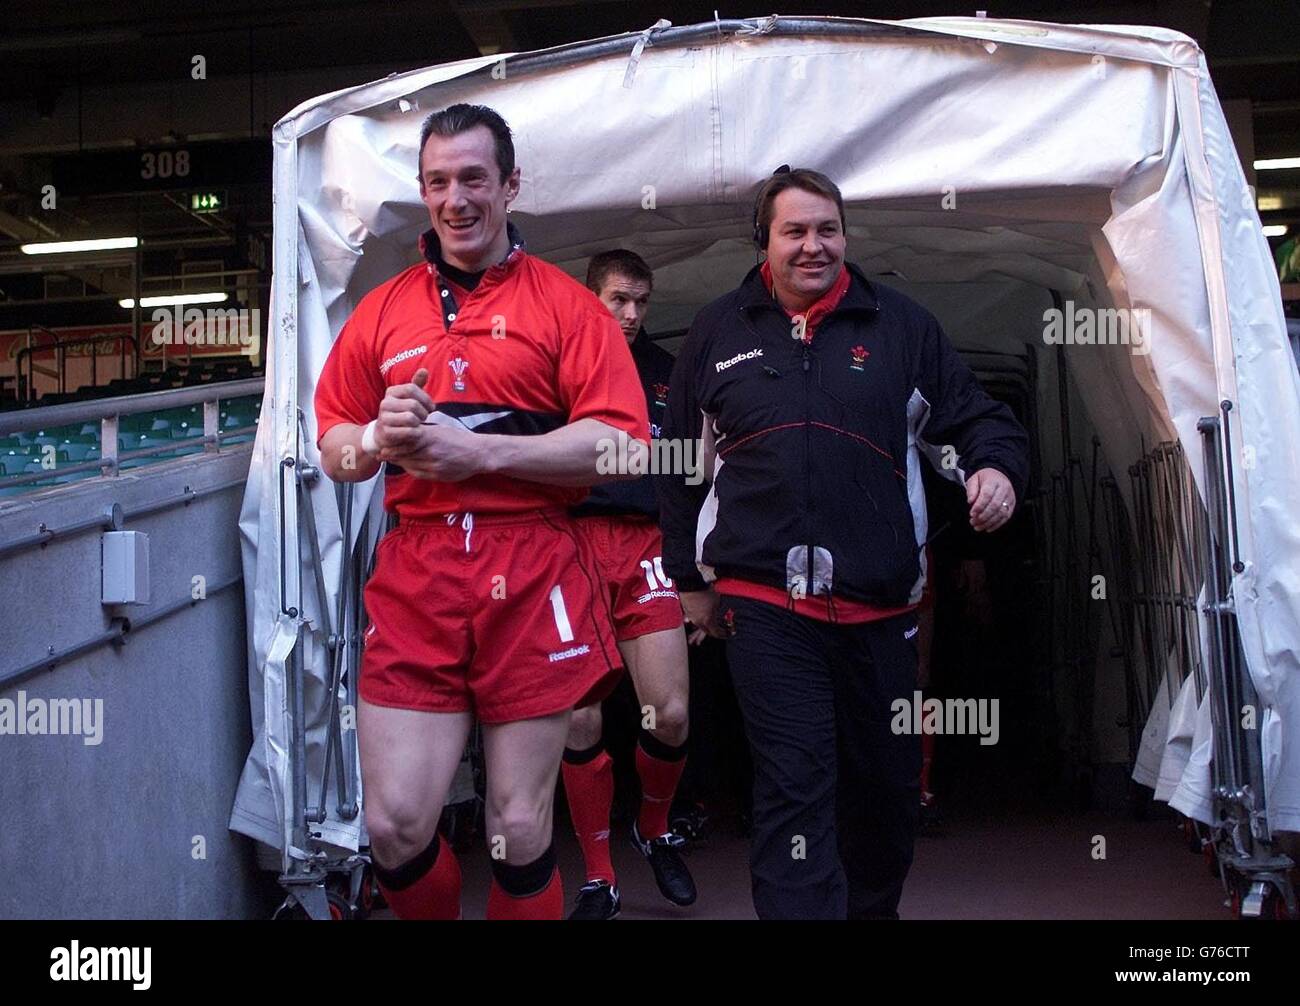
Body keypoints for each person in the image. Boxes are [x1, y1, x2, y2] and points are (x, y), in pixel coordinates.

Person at [657, 167, 1030, 919]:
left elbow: (975, 418)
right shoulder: (718, 330)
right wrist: (686, 580)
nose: (813, 246)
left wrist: (995, 470)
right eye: (794, 231)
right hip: (766, 605)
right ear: (763, 240)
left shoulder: (900, 325)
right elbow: (677, 467)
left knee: (885, 797)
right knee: (796, 783)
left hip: (881, 611)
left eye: (827, 229)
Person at [314, 104, 649, 920]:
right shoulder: (384, 310)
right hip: (418, 568)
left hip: (531, 567)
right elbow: (335, 448)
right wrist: (375, 437)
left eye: (473, 179)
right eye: (438, 182)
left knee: (519, 825)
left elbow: (624, 448)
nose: (455, 198)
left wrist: (486, 455)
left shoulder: (570, 308)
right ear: (423, 192)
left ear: (509, 185)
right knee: (393, 827)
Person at [562, 249, 695, 919]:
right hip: (572, 546)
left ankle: (653, 827)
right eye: (619, 299)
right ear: (592, 297)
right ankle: (598, 876)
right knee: (579, 715)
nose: (633, 313)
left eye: (642, 300)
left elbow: (693, 477)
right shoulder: (555, 361)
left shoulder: (669, 375)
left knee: (669, 711)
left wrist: (700, 572)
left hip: (647, 543)